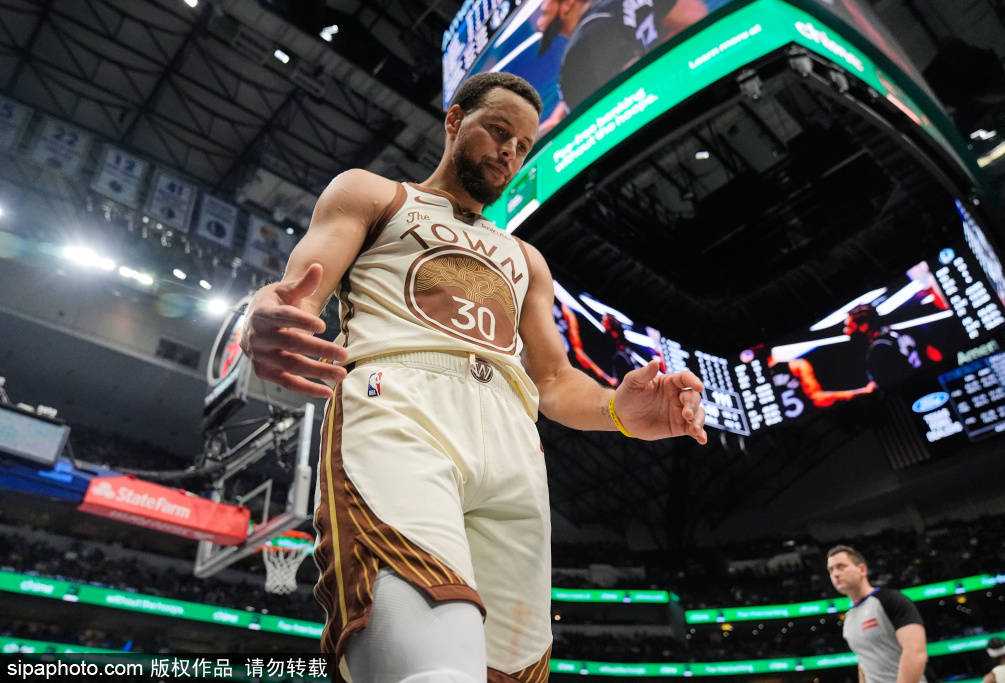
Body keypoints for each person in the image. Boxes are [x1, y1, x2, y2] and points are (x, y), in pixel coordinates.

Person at [240, 71, 708, 683]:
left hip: (513, 438)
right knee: (433, 666)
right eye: (498, 131)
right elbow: (296, 291)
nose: (509, 152)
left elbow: (554, 381)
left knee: (508, 670)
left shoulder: (527, 259)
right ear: (455, 121)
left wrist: (617, 410)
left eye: (522, 145)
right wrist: (261, 313)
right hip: (401, 404)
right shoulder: (373, 194)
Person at [534, 0, 709, 135]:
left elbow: (631, 89)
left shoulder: (579, 51)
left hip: (657, 126)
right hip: (698, 85)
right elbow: (696, 15)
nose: (538, 23)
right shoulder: (614, 7)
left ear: (567, 4)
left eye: (543, 12)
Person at [826, 545, 928, 683]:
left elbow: (916, 652)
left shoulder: (891, 600)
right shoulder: (849, 619)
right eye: (831, 570)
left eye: (841, 567)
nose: (835, 574)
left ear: (862, 569)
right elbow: (864, 662)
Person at [844, 303, 941, 391]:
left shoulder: (878, 350)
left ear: (864, 325)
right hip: (929, 382)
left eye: (849, 327)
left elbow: (884, 387)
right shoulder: (896, 333)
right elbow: (933, 354)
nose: (845, 331)